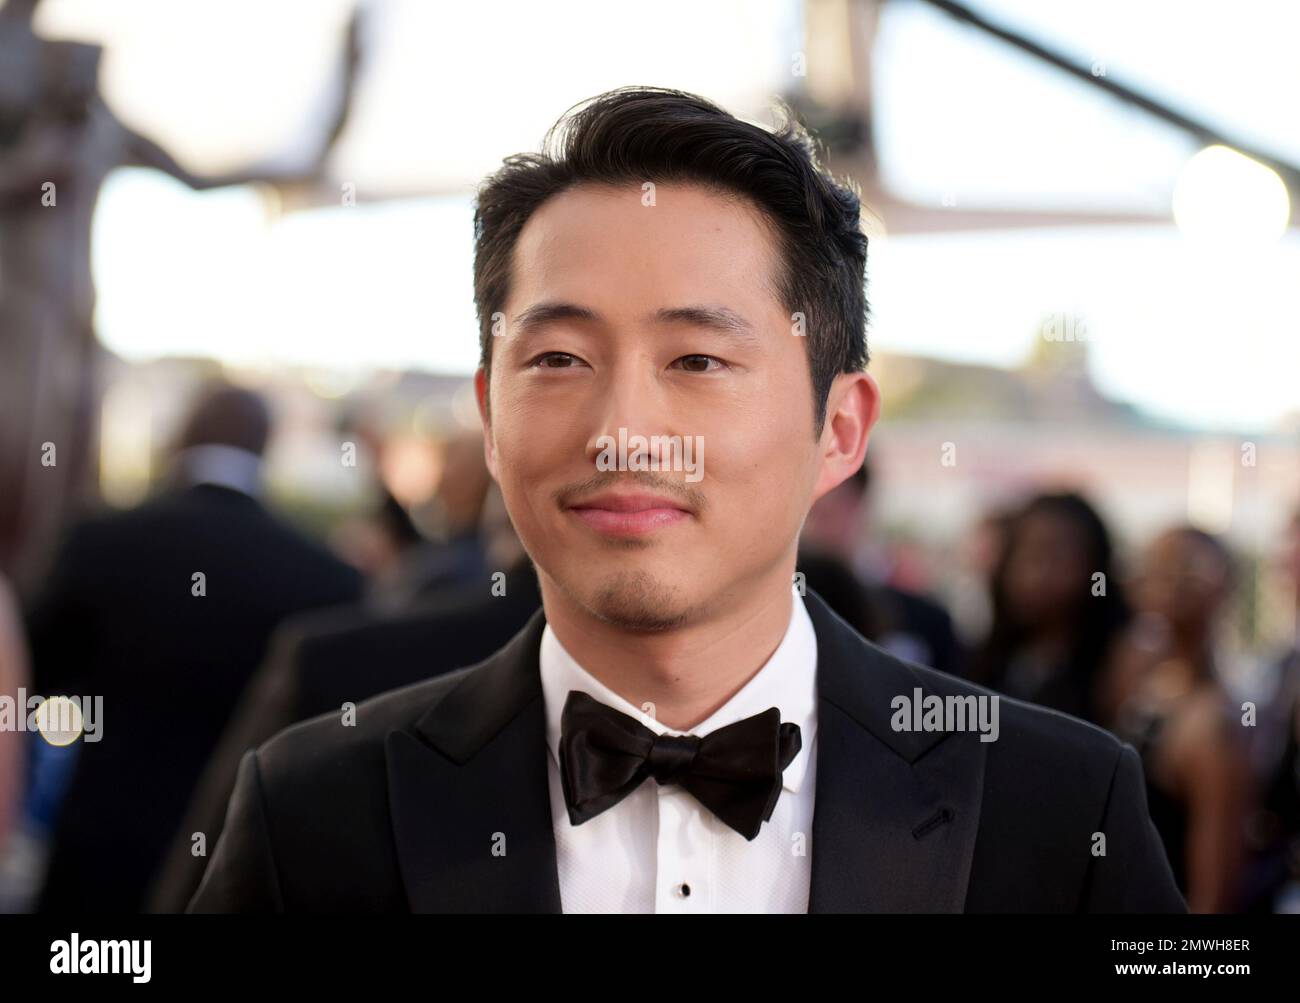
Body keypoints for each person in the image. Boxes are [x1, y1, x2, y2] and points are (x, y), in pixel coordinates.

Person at [189, 87, 1182, 914]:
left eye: (699, 358)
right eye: (560, 357)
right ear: (490, 418)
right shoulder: (316, 805)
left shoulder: (1055, 803)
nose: (623, 427)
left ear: (838, 428)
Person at [27, 381, 363, 912]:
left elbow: (33, 680)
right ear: (265, 446)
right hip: (241, 863)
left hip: (100, 851)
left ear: (183, 434)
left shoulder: (101, 541)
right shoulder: (328, 579)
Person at [1101, 527, 1250, 912]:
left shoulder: (1212, 726)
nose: (1171, 579)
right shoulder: (1134, 677)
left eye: (1188, 568)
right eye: (1159, 566)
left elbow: (1213, 890)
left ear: (1224, 588)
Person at [970, 492, 1130, 724]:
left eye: (1056, 555)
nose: (1036, 574)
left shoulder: (1119, 666)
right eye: (1025, 553)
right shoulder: (988, 659)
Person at [800, 457, 963, 675]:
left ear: (859, 503)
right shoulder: (773, 610)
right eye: (812, 508)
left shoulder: (924, 618)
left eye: (832, 507)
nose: (817, 522)